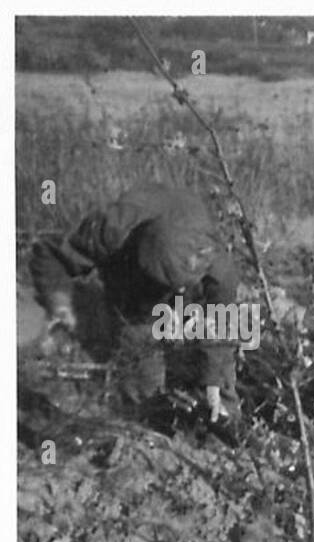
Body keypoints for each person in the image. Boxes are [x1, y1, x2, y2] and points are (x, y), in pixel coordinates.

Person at [29, 182, 242, 433]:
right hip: (133, 288)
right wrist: (61, 305)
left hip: (189, 286)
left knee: (218, 392)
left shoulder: (218, 269)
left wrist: (212, 383)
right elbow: (52, 253)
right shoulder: (112, 230)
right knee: (142, 379)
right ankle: (144, 427)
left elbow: (220, 322)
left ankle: (224, 427)